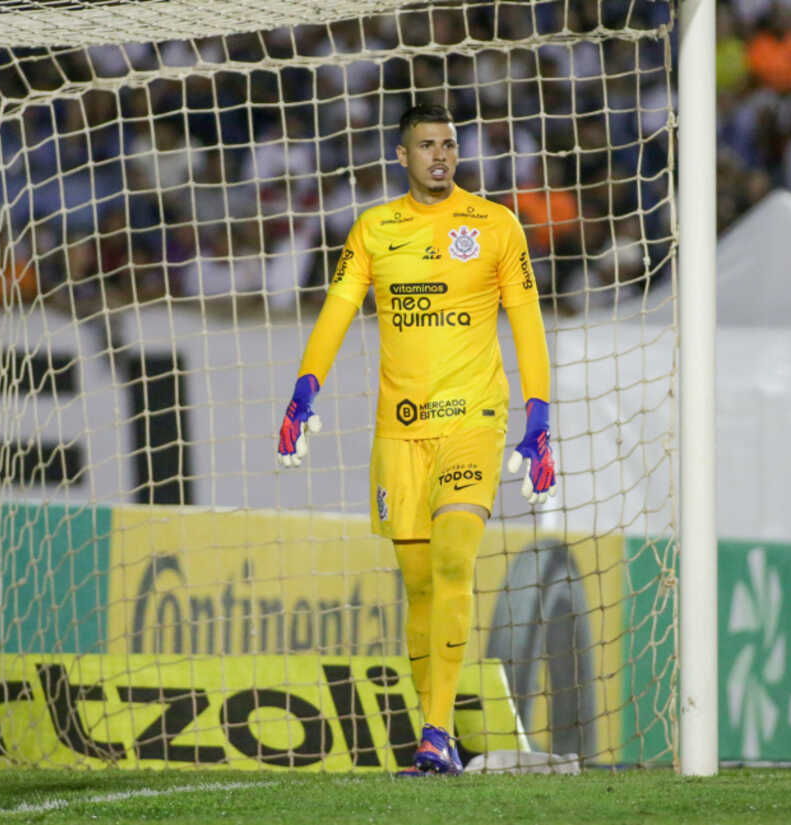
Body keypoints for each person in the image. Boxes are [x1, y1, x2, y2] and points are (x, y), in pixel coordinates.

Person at [275, 103, 556, 776]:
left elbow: (526, 318)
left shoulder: (494, 226)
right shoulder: (376, 229)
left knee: (457, 560)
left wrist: (538, 417)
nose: (440, 155)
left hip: (472, 421)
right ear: (402, 156)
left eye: (449, 144)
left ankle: (434, 734)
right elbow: (337, 309)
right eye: (427, 145)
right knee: (421, 585)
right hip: (398, 432)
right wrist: (304, 387)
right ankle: (440, 735)